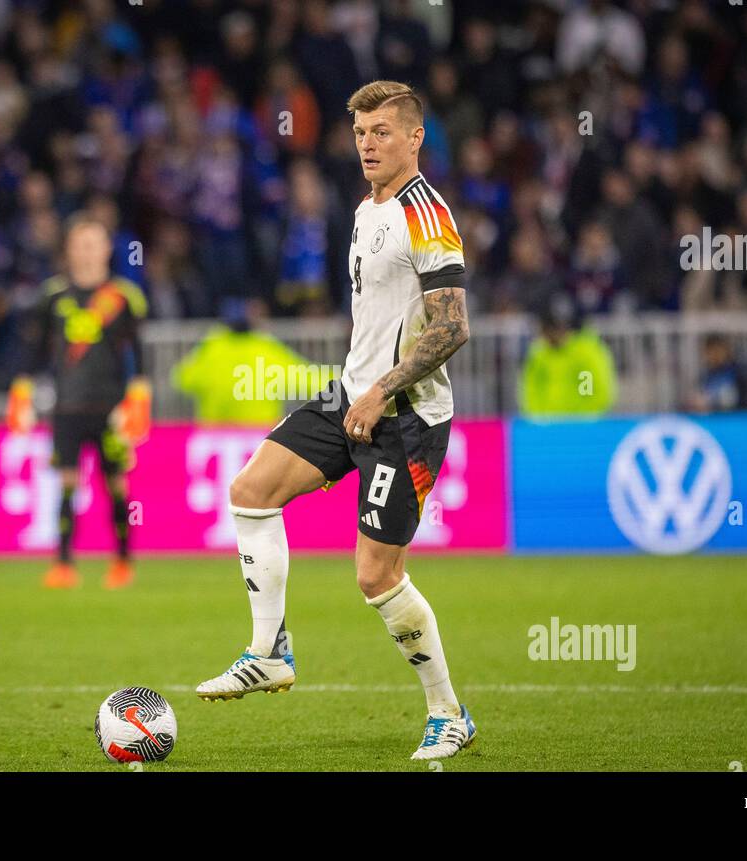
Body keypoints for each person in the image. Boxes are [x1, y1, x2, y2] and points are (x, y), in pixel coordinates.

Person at [194, 81, 476, 760]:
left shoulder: (428, 215)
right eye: (359, 133)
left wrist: (381, 388)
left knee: (376, 577)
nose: (368, 144)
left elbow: (453, 327)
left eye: (382, 131)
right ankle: (270, 650)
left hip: (405, 415)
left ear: (415, 138)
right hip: (351, 392)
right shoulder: (363, 209)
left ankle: (449, 712)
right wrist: (362, 385)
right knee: (250, 490)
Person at [13, 214, 150, 590]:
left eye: (93, 244)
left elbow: (137, 353)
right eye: (79, 244)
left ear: (107, 249)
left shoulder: (124, 296)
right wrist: (21, 390)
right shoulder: (53, 296)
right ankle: (63, 563)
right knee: (67, 483)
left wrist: (139, 397)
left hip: (111, 409)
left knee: (117, 485)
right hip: (67, 407)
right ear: (69, 250)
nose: (86, 252)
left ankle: (122, 560)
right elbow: (35, 349)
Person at [172, 298, 333, 426]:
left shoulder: (211, 348)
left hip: (216, 437)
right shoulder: (266, 349)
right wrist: (350, 378)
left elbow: (180, 379)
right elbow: (313, 380)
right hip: (258, 437)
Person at [518, 298, 618, 418]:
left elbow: (592, 392)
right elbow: (531, 388)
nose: (544, 336)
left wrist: (580, 421)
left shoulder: (584, 352)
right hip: (546, 426)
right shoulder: (539, 353)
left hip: (578, 427)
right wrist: (538, 417)